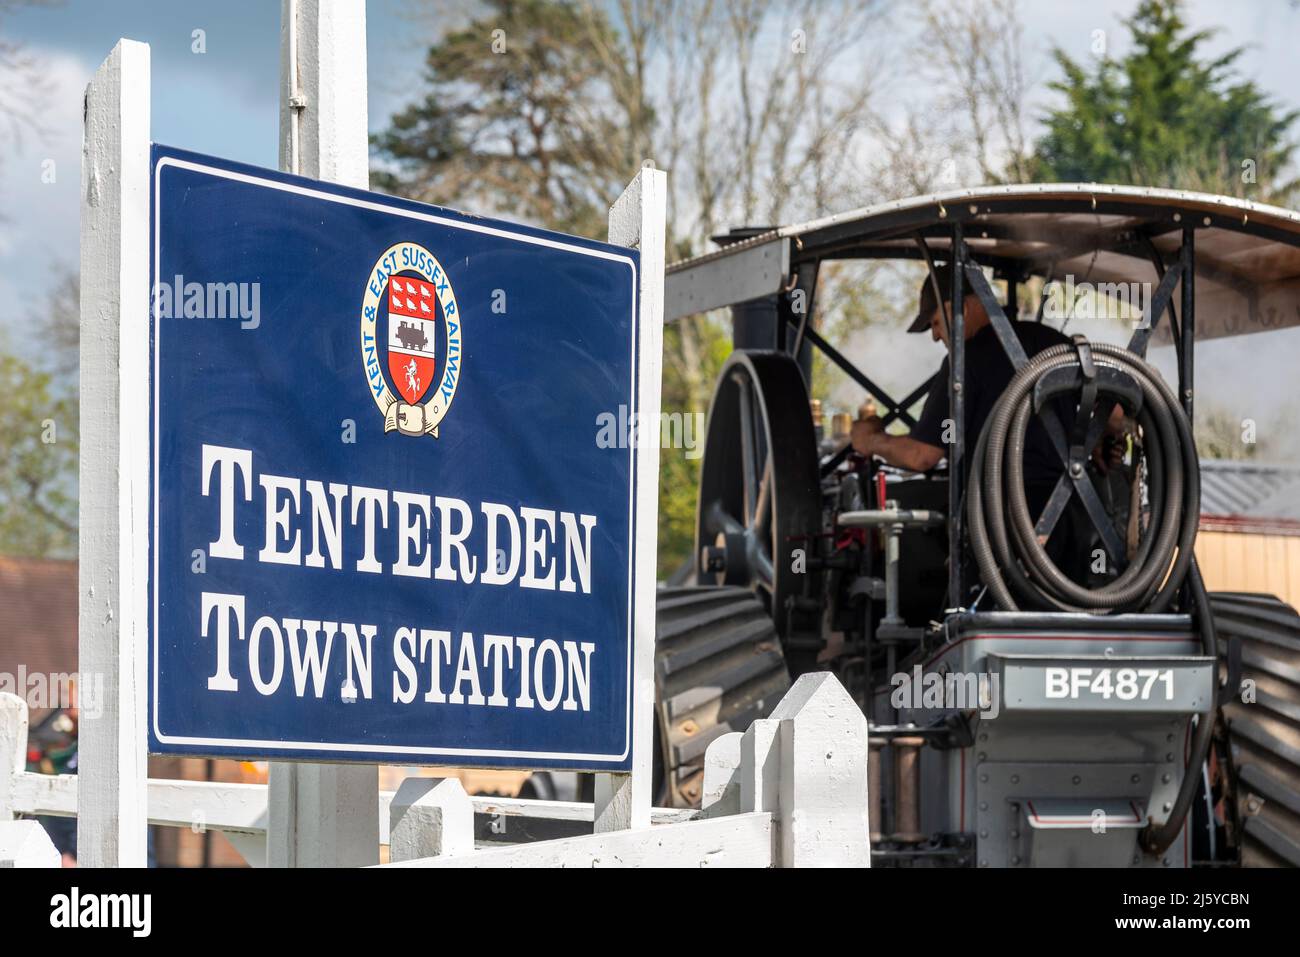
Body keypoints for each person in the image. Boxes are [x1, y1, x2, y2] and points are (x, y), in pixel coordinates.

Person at [851, 264, 1073, 520]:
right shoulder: (1054, 341)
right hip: (1066, 514)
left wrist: (872, 441)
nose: (935, 336)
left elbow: (921, 456)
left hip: (1001, 522)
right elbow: (1114, 413)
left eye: (935, 323)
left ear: (959, 309)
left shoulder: (964, 362)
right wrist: (1098, 444)